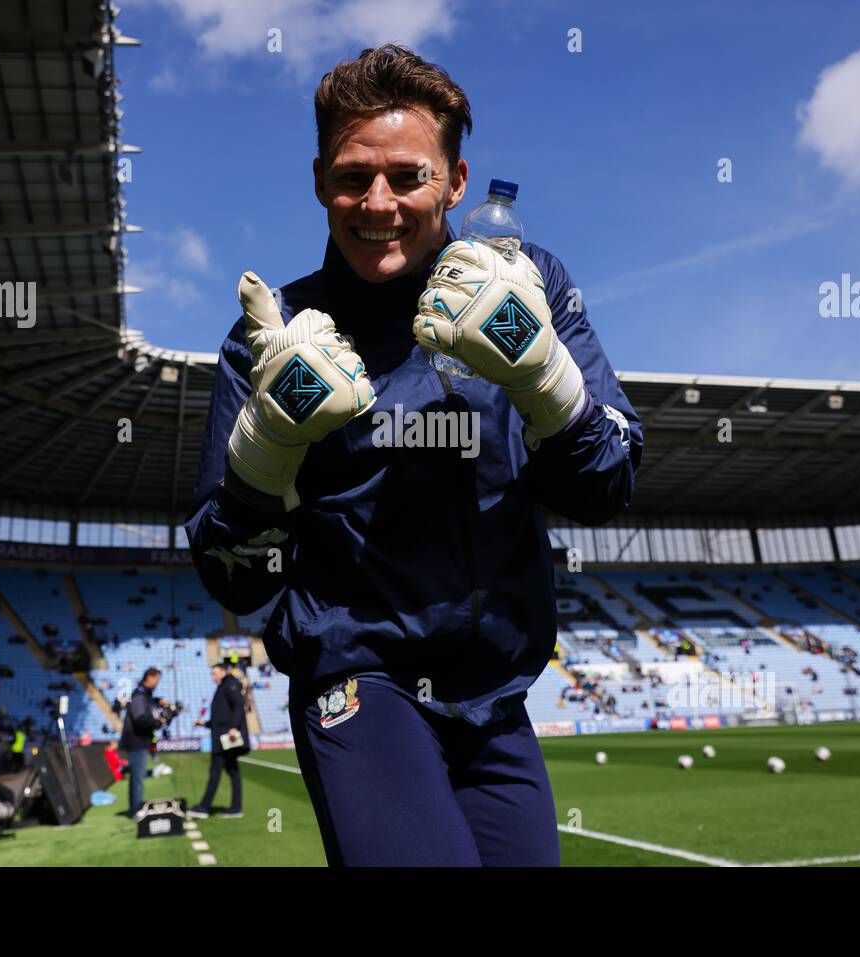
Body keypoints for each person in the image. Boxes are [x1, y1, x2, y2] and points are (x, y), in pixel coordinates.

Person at [184, 45, 641, 865]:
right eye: (354, 177)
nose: (377, 203)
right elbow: (233, 578)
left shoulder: (529, 285)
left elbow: (608, 484)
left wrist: (543, 377)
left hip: (496, 695)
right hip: (359, 679)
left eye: (408, 175)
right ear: (320, 178)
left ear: (457, 182)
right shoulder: (272, 336)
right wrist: (266, 451)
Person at [190, 663, 249, 819]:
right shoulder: (223, 686)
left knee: (216, 770)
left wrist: (234, 727)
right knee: (232, 771)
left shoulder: (230, 684)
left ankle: (204, 807)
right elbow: (221, 718)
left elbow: (239, 706)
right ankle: (236, 808)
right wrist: (205, 723)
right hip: (223, 737)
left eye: (214, 673)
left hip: (226, 739)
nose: (212, 676)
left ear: (223, 671)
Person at [118, 668, 166, 815]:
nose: (158, 683)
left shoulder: (144, 695)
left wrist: (158, 701)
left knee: (138, 777)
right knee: (138, 777)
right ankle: (136, 810)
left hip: (139, 740)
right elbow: (140, 718)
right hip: (136, 741)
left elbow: (146, 705)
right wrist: (157, 722)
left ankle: (136, 807)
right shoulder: (139, 694)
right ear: (149, 678)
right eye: (156, 679)